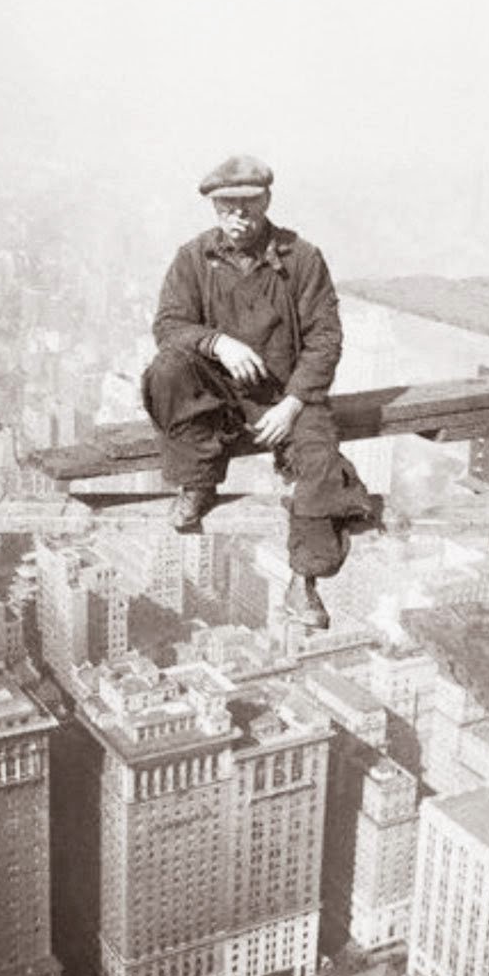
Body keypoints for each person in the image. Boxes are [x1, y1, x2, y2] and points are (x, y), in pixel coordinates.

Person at [142, 154, 375, 629]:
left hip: (286, 395)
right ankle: (198, 484)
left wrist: (293, 404)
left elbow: (325, 339)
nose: (238, 217)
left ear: (266, 201)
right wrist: (217, 343)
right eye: (226, 207)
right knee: (167, 370)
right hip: (219, 396)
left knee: (320, 461)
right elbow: (169, 326)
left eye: (247, 205)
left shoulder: (301, 258)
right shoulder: (194, 258)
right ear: (214, 208)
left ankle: (304, 581)